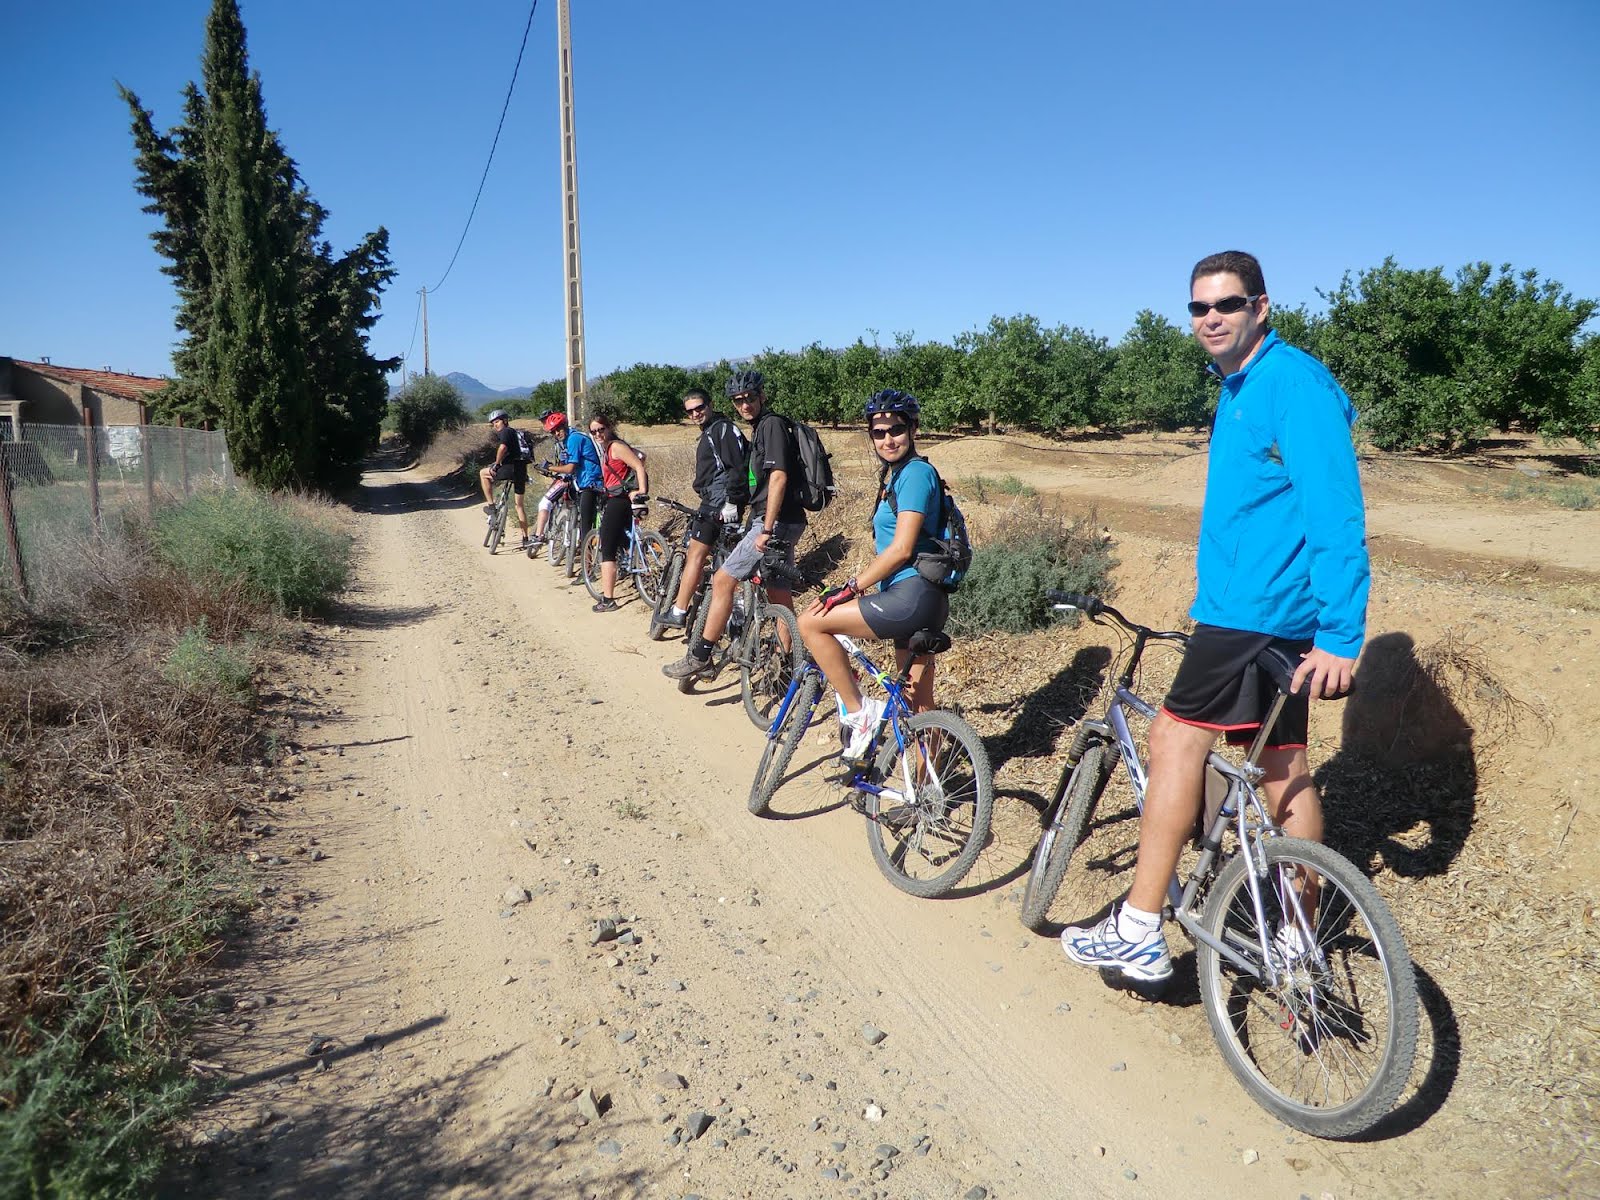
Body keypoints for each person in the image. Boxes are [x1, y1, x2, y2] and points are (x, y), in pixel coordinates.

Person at [1060, 250, 1369, 987]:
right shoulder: (1238, 386)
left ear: (1261, 307)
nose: (1210, 319)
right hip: (1261, 609)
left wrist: (1341, 634)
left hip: (1255, 614)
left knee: (1173, 739)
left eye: (1226, 305)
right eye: (1198, 308)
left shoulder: (1289, 383)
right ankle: (1295, 939)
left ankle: (1137, 928)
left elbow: (1336, 512)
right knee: (1281, 767)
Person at [797, 389, 949, 761]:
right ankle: (930, 791)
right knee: (919, 701)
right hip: (925, 598)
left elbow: (901, 549)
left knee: (811, 623)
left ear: (913, 428)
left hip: (910, 597)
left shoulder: (914, 474)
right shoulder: (897, 475)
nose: (887, 439)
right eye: (878, 433)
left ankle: (859, 710)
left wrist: (851, 588)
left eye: (896, 429)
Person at [662, 369, 804, 681]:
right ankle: (783, 660)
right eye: (739, 400)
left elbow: (778, 476)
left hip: (775, 521)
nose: (744, 404)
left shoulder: (771, 426)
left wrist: (766, 528)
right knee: (779, 592)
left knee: (724, 580)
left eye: (750, 398)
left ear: (762, 396)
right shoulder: (763, 427)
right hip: (787, 520)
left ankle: (701, 656)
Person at [656, 387, 750, 629]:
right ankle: (729, 619)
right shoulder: (714, 430)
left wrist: (732, 500)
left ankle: (678, 612)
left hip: (719, 503)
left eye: (700, 408)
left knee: (695, 556)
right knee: (724, 563)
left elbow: (736, 468)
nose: (696, 414)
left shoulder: (721, 430)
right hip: (719, 501)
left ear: (710, 404)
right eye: (690, 411)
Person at [588, 409, 649, 613]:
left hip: (619, 501)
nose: (597, 434)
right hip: (619, 497)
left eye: (601, 429)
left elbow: (639, 465)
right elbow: (641, 456)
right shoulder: (610, 447)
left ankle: (608, 599)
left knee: (607, 549)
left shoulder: (615, 447)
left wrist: (640, 491)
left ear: (609, 428)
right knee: (624, 539)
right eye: (593, 431)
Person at [529, 407, 604, 561]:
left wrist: (548, 467)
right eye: (553, 432)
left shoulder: (574, 439)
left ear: (564, 425)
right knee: (584, 519)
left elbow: (570, 467)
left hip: (590, 483)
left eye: (559, 429)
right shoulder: (568, 439)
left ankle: (587, 565)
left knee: (585, 525)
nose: (557, 433)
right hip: (584, 482)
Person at [478, 409, 529, 546]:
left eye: (497, 421)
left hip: (509, 469)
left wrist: (497, 464)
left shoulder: (506, 431)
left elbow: (502, 448)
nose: (495, 425)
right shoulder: (516, 433)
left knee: (483, 474)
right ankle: (525, 538)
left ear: (505, 421)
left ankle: (491, 506)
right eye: (493, 423)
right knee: (519, 506)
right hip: (521, 470)